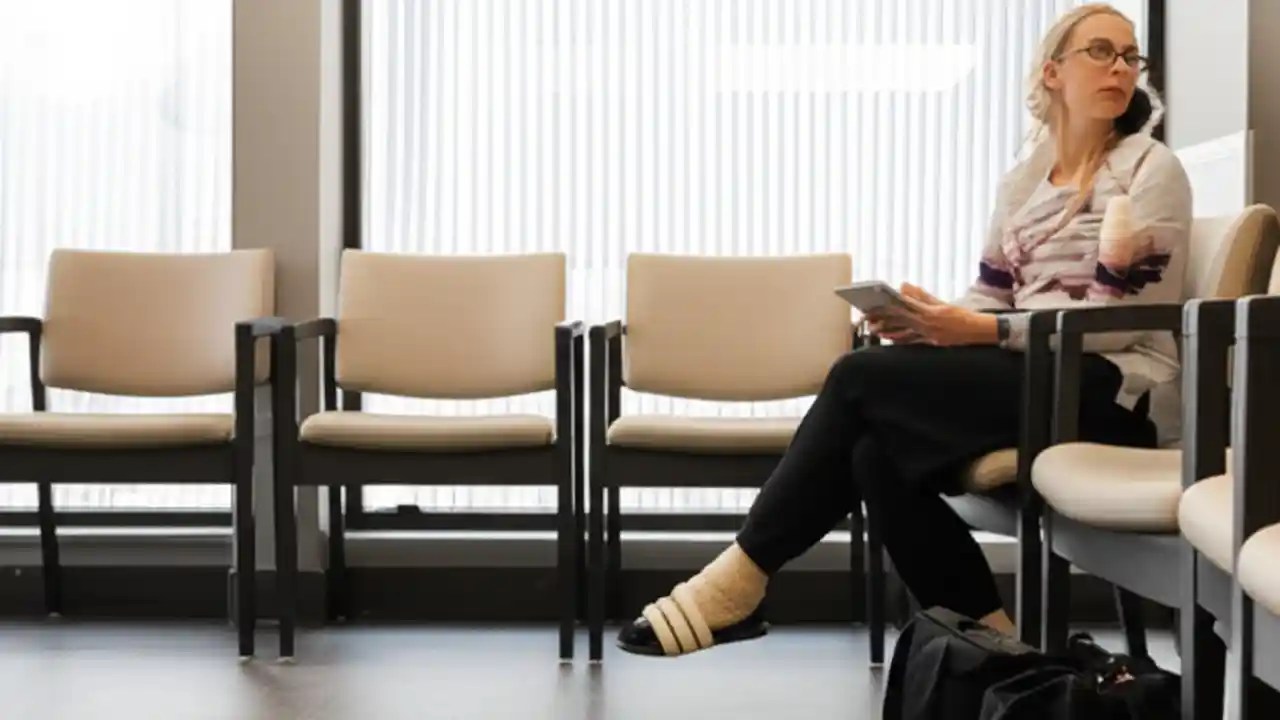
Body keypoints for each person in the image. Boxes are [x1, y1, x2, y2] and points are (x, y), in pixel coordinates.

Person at [618, 2, 1192, 657]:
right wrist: (927, 321)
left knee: (858, 377)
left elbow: (1111, 328)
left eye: (1130, 56)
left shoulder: (1150, 170)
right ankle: (999, 651)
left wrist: (972, 330)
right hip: (1040, 374)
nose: (1120, 67)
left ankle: (736, 582)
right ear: (1053, 72)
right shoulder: (1025, 181)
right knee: (873, 453)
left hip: (1117, 391)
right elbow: (994, 296)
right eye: (1100, 51)